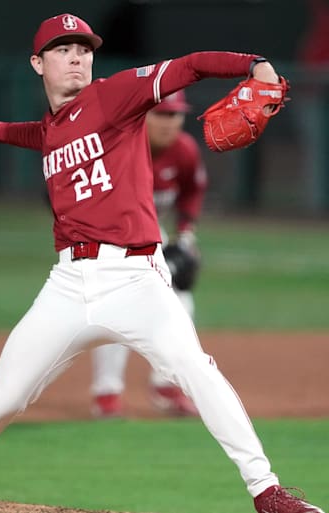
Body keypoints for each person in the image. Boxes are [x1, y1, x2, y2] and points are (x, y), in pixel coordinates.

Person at [0, 13, 324, 513]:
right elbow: (47, 135)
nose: (77, 57)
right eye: (63, 50)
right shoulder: (55, 125)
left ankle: (267, 491)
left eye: (83, 49)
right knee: (1, 401)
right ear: (38, 64)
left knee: (197, 371)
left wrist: (255, 65)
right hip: (66, 285)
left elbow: (190, 65)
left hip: (135, 279)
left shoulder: (115, 96)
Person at [90, 89, 205, 418]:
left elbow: (193, 190)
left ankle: (167, 386)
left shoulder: (184, 150)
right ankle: (107, 394)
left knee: (181, 302)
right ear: (143, 117)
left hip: (150, 236)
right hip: (105, 237)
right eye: (162, 114)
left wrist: (185, 233)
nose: (170, 122)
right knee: (117, 311)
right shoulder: (117, 149)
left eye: (175, 114)